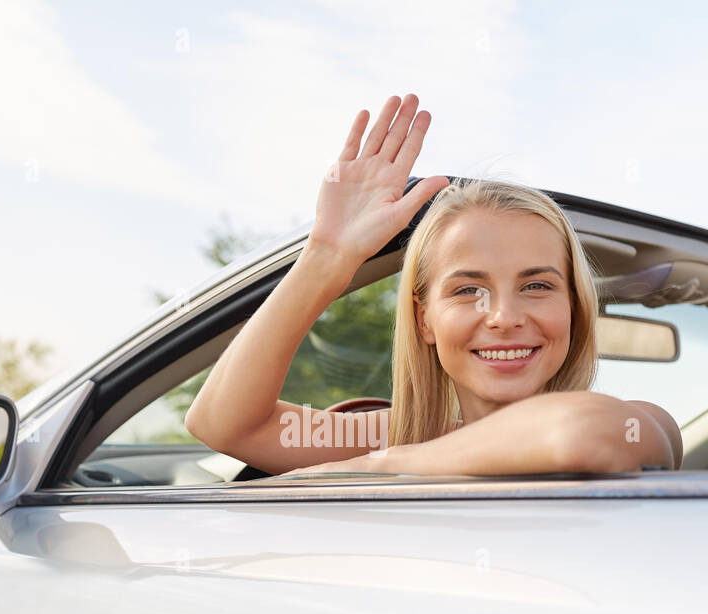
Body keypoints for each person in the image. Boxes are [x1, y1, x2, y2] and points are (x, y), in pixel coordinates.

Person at [185, 93, 681, 477]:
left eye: (536, 287)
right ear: (424, 320)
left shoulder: (641, 422)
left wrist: (371, 468)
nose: (504, 316)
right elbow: (223, 424)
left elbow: (584, 433)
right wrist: (326, 257)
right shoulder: (402, 434)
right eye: (468, 290)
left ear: (573, 307)